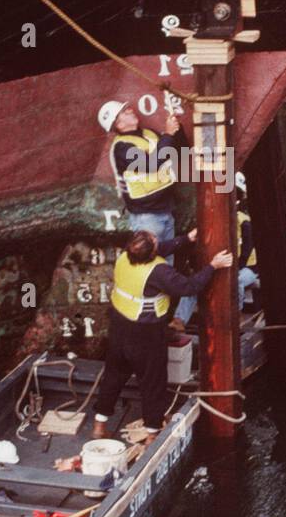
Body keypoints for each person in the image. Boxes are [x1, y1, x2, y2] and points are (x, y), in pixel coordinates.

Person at [92, 227, 232, 448]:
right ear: (151, 252)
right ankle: (152, 433)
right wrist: (213, 266)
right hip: (146, 334)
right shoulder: (159, 273)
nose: (158, 240)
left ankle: (99, 425)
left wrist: (186, 239)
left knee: (113, 375)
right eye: (155, 241)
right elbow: (189, 286)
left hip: (119, 326)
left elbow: (160, 248)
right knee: (152, 382)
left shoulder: (125, 257)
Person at [97, 99, 195, 327]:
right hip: (146, 218)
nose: (130, 110)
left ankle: (168, 318)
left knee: (166, 269)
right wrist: (168, 135)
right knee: (150, 269)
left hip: (165, 212)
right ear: (117, 124)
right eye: (124, 111)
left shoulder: (150, 135)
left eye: (127, 108)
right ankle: (150, 319)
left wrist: (176, 131)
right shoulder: (122, 148)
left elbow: (178, 151)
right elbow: (150, 164)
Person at [235, 172, 261, 313]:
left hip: (248, 268)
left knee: (236, 282)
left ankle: (236, 314)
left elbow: (246, 251)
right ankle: (179, 320)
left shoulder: (244, 221)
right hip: (226, 266)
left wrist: (236, 269)